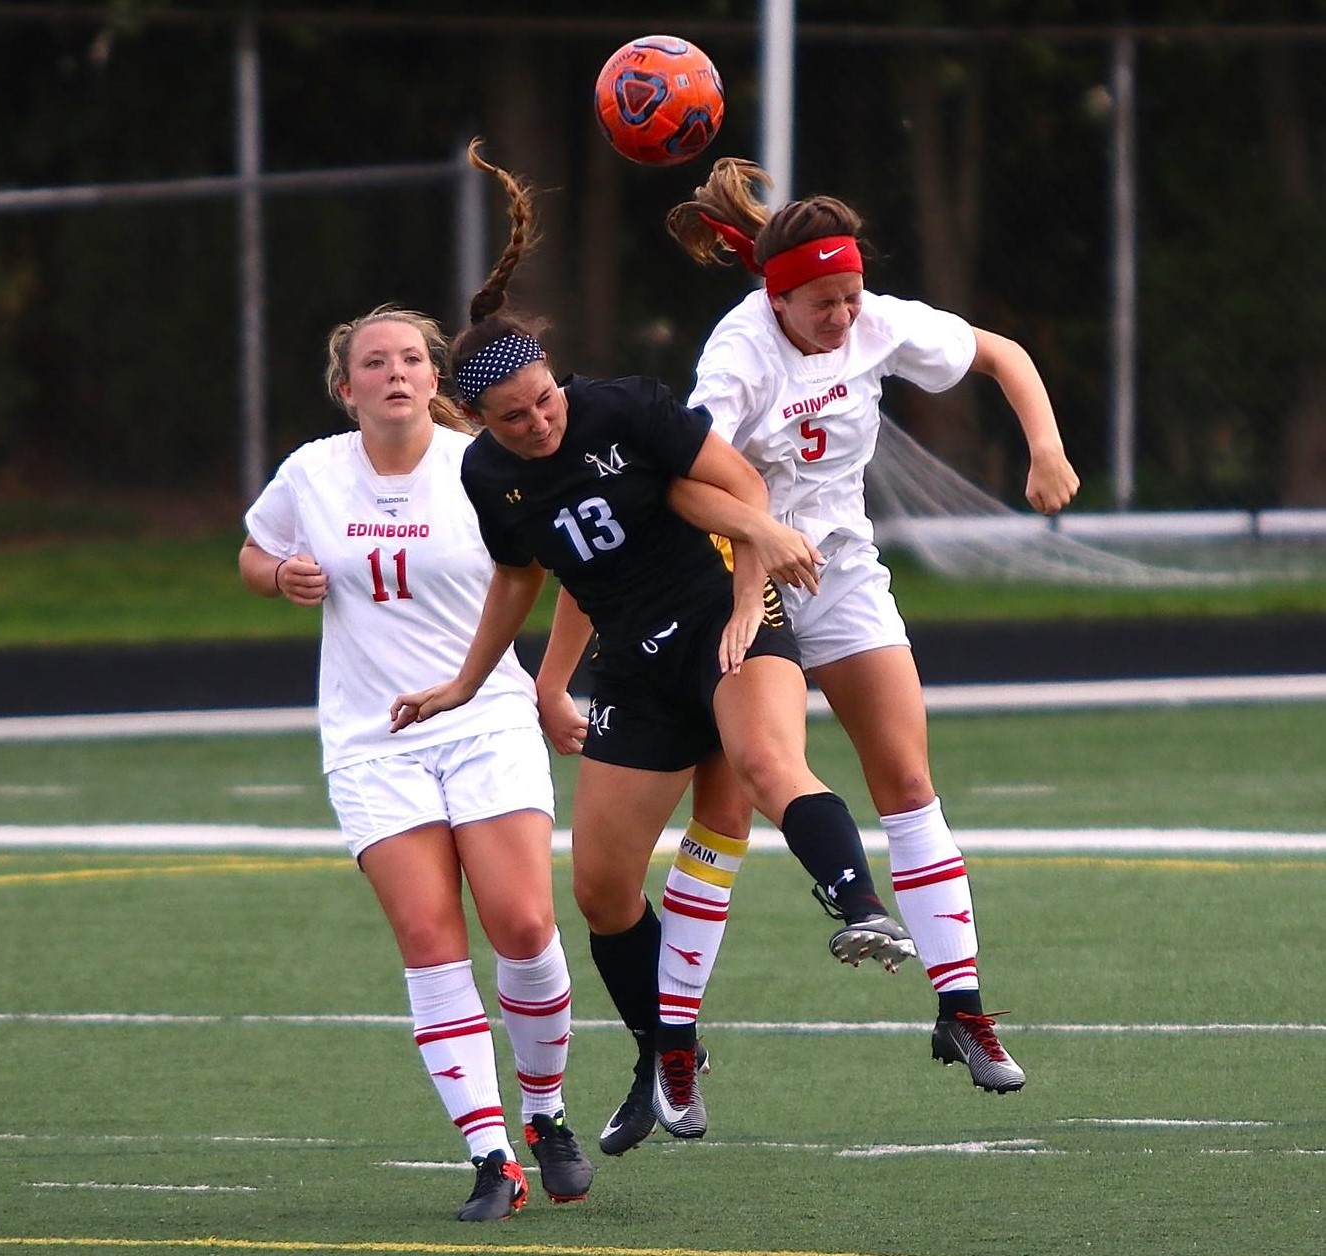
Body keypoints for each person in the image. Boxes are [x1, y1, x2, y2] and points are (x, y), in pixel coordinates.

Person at [391, 141, 917, 1157]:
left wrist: (747, 594)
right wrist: (485, 679)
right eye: (516, 415)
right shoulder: (489, 477)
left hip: (726, 617)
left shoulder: (625, 404)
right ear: (478, 420)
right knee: (597, 886)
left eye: (547, 398)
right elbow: (525, 576)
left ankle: (860, 906)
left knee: (768, 763)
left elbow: (746, 493)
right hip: (634, 662)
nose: (541, 419)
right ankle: (663, 1049)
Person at [663, 157, 1083, 1093]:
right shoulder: (737, 355)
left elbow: (1001, 353)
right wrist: (763, 537)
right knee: (726, 808)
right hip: (742, 575)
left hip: (842, 568)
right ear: (779, 298)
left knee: (907, 779)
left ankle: (963, 1010)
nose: (846, 317)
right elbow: (684, 479)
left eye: (853, 295)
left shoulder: (875, 319)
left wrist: (1044, 446)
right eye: (826, 303)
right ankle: (674, 1045)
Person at [238, 303, 594, 1221]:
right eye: (374, 362)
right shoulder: (312, 472)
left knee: (520, 924)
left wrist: (551, 688)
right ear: (346, 386)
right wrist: (280, 577)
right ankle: (491, 1155)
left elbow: (574, 572)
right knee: (432, 943)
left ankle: (547, 1111)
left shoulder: (483, 467)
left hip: (486, 722)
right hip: (371, 744)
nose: (395, 372)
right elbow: (254, 549)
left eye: (411, 359)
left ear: (437, 381)